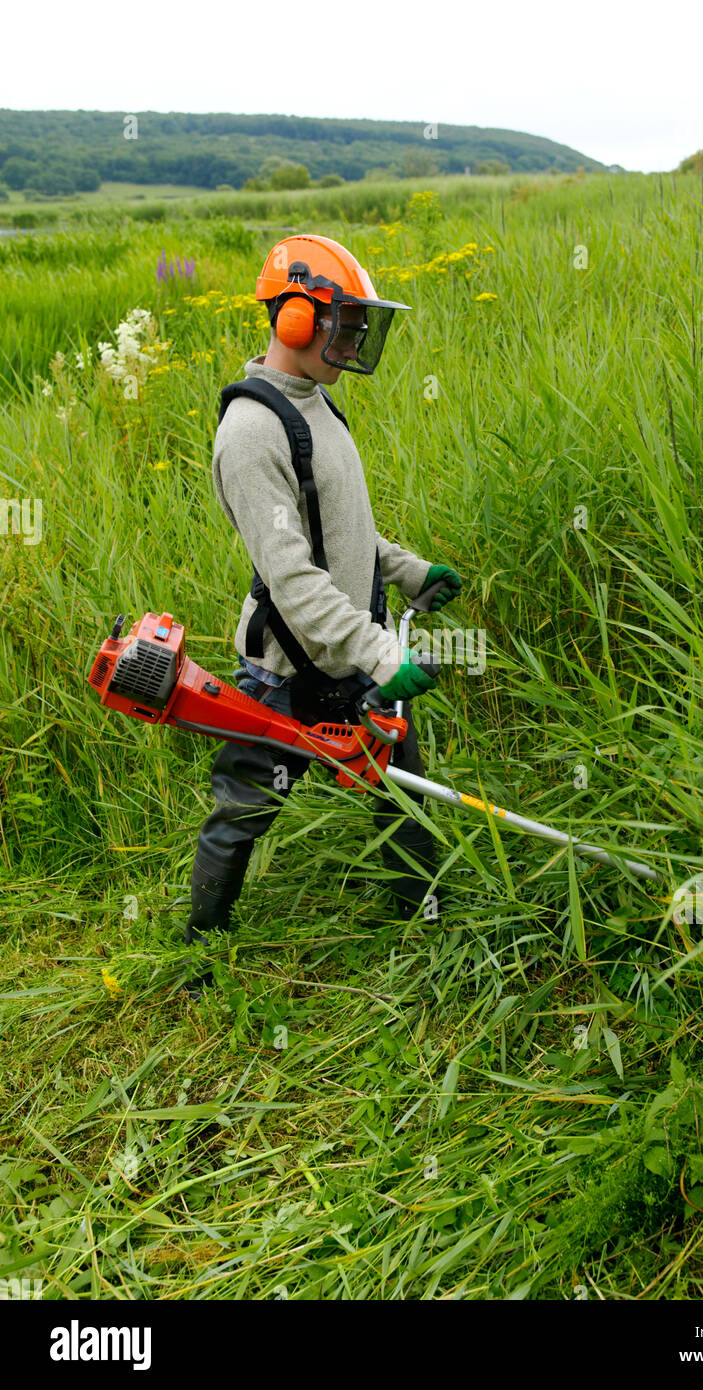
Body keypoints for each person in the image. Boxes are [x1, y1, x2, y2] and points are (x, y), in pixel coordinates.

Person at [181, 233, 462, 975]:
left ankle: (423, 923)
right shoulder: (251, 433)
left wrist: (404, 571)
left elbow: (344, 529)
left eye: (360, 327)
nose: (354, 341)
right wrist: (381, 652)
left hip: (354, 645)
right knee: (245, 807)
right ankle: (200, 946)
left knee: (402, 783)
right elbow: (296, 580)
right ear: (295, 320)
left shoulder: (317, 407)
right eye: (343, 325)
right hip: (291, 665)